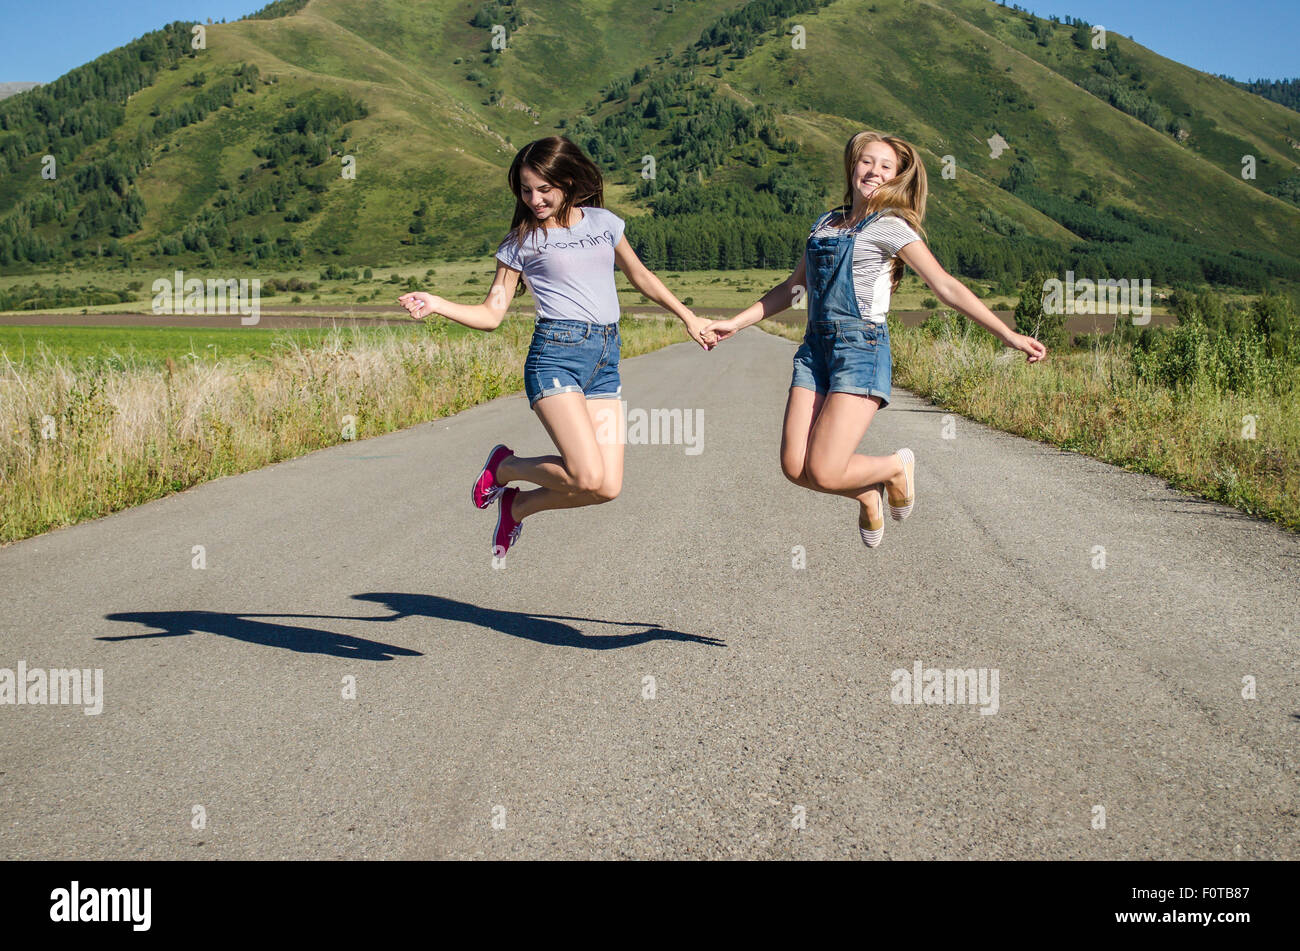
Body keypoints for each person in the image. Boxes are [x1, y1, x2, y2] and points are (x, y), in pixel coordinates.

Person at [704, 131, 1046, 547]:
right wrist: (736, 323)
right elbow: (793, 289)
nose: (874, 171)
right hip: (815, 351)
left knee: (826, 470)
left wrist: (1008, 334)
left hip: (859, 350)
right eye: (867, 161)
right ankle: (867, 493)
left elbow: (945, 286)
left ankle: (893, 468)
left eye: (886, 166)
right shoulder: (824, 223)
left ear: (896, 177)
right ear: (852, 165)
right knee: (795, 468)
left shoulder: (892, 227)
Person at [398, 136, 714, 559]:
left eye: (543, 189)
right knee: (584, 473)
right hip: (555, 356)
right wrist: (437, 304)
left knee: (606, 487)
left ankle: (519, 505)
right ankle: (505, 468)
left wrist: (687, 317)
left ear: (566, 181)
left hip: (605, 358)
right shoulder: (520, 242)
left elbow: (641, 276)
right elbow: (492, 314)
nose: (534, 199)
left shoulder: (603, 222)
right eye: (526, 190)